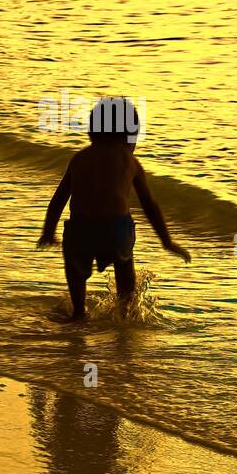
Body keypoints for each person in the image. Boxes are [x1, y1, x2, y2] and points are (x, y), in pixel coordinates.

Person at [39, 97, 190, 320]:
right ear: (130, 136)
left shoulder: (79, 159)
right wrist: (167, 241)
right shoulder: (130, 162)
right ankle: (126, 311)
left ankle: (79, 312)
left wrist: (48, 232)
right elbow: (149, 205)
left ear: (92, 132)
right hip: (116, 230)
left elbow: (58, 200)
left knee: (76, 271)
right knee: (124, 265)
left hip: (80, 230)